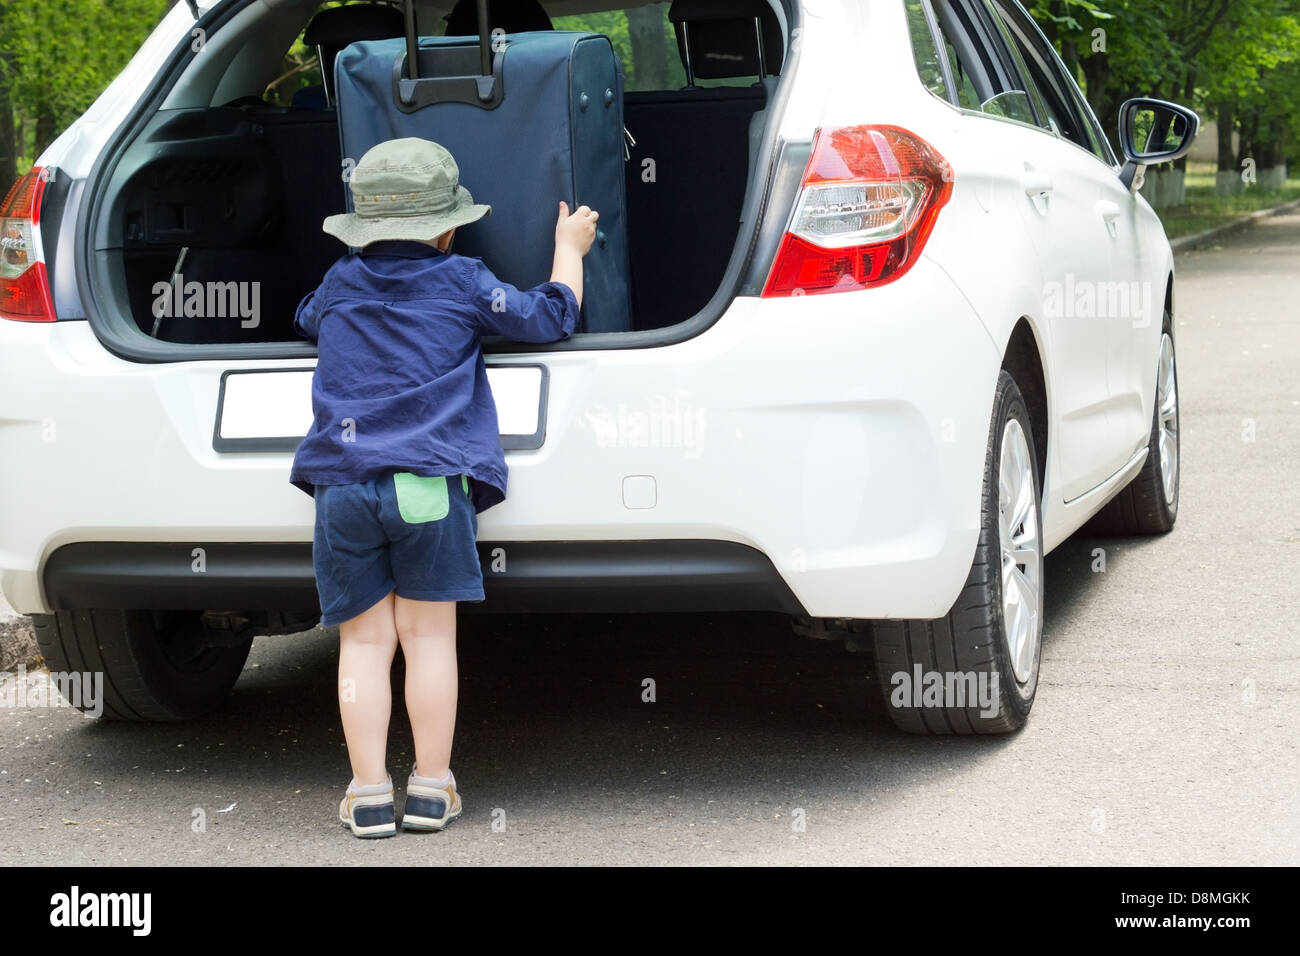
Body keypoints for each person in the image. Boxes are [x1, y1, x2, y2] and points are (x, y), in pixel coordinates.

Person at [289, 137, 597, 837]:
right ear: (449, 227)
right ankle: (431, 788)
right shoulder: (463, 280)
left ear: (362, 229)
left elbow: (306, 316)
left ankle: (368, 794)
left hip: (342, 489)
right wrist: (569, 248)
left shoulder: (339, 284)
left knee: (363, 644)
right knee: (429, 638)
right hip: (427, 484)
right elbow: (549, 317)